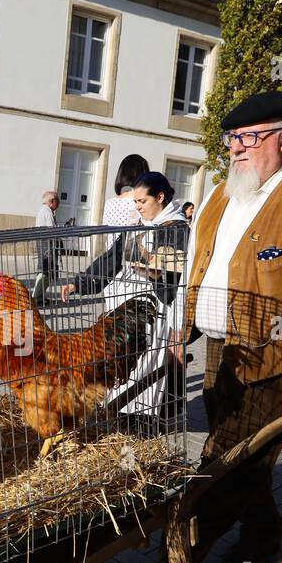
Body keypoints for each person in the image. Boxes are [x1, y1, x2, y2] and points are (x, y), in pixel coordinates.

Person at [143, 91, 282, 563]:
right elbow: (196, 273)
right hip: (220, 354)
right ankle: (264, 534)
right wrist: (177, 331)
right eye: (232, 138)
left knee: (224, 465)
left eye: (250, 138)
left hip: (277, 361)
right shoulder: (218, 196)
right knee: (244, 456)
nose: (236, 148)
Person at [61, 172, 189, 426]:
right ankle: (121, 416)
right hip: (128, 310)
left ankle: (140, 421)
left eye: (143, 201)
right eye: (136, 202)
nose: (138, 207)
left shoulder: (176, 229)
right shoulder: (137, 226)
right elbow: (111, 258)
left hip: (157, 312)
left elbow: (173, 280)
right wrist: (80, 282)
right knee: (122, 367)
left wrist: (154, 273)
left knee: (146, 368)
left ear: (160, 197)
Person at [31, 190, 69, 304]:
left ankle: (40, 296)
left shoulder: (46, 211)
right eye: (58, 201)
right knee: (45, 272)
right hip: (46, 244)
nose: (59, 203)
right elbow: (51, 231)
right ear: (52, 201)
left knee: (47, 272)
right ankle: (35, 297)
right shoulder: (46, 212)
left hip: (46, 244)